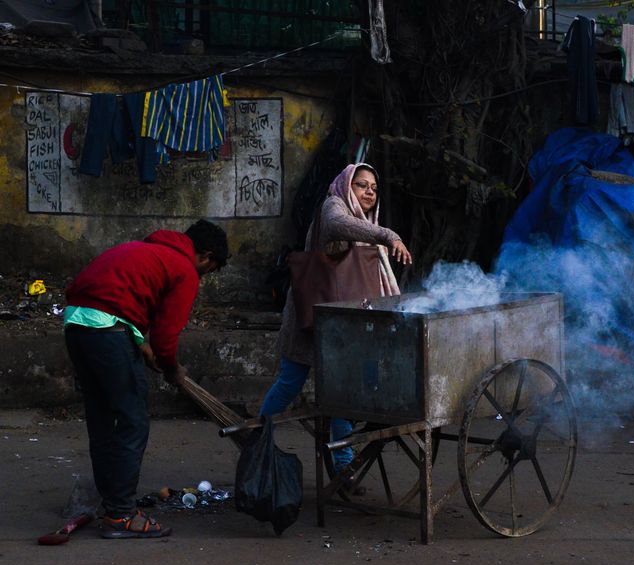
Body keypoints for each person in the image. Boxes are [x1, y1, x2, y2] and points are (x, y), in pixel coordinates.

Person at [64, 219, 228, 539]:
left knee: (102, 419)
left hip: (77, 326)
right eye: (211, 269)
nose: (205, 276)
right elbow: (167, 335)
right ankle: (122, 515)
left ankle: (111, 502)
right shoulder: (184, 269)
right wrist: (172, 367)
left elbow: (111, 299)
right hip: (108, 332)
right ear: (206, 257)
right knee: (133, 420)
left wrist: (139, 343)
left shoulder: (144, 250)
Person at [260, 163, 412, 488]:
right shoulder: (335, 206)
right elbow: (338, 225)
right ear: (345, 185)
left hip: (340, 324)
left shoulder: (364, 219)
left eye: (373, 186)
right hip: (308, 316)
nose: (369, 191)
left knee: (343, 390)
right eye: (362, 184)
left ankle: (342, 465)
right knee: (290, 381)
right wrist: (388, 235)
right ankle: (258, 438)